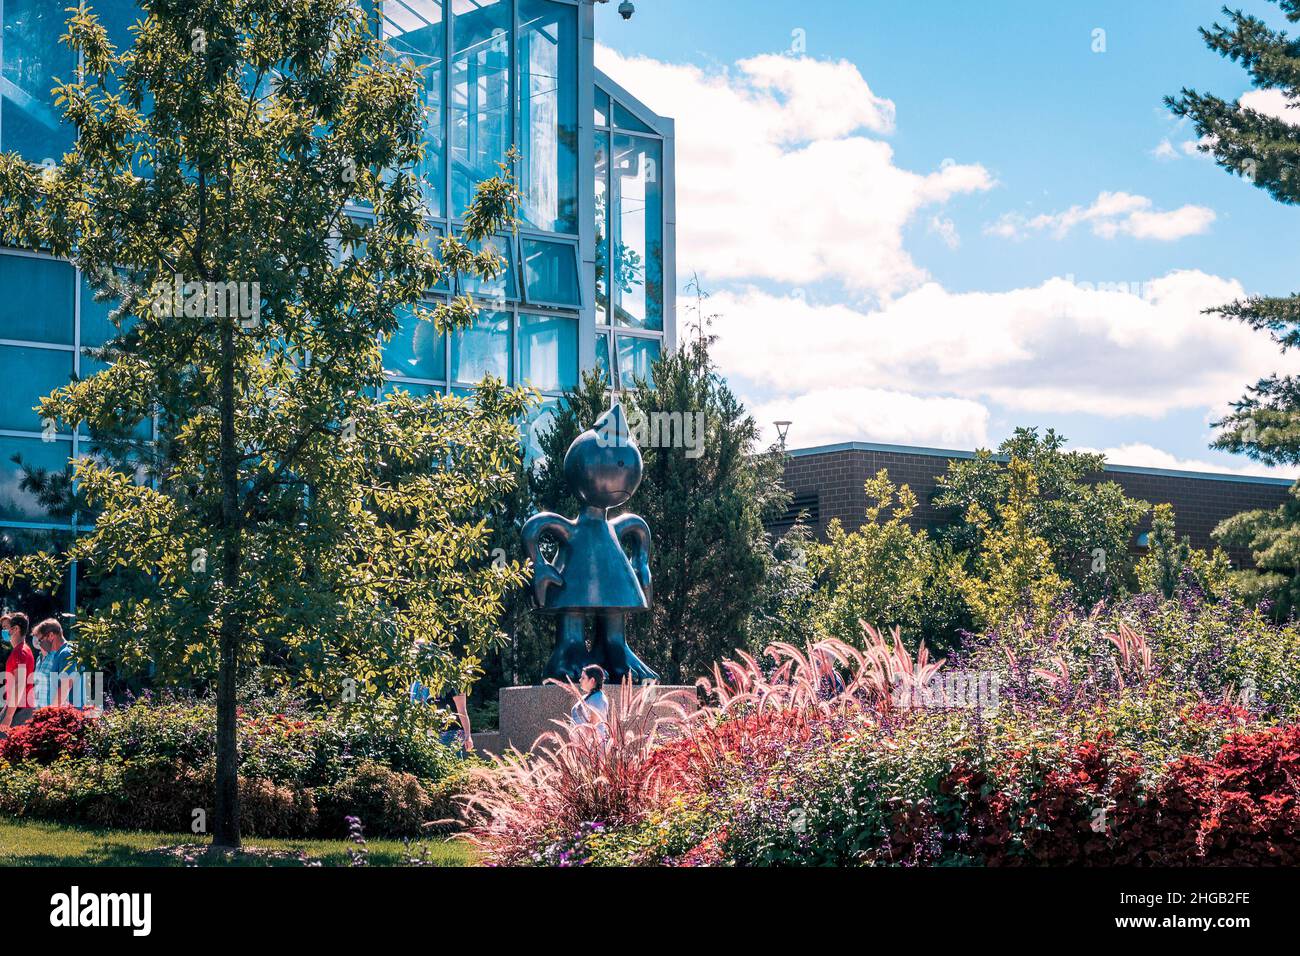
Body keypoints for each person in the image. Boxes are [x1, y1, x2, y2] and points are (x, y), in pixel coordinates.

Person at [410, 677, 474, 753]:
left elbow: (462, 711)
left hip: (451, 732)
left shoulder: (457, 683)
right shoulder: (423, 681)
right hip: (429, 734)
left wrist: (468, 736)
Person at [0, 613, 36, 736]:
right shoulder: (20, 650)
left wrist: (8, 716)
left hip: (20, 709)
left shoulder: (21, 653)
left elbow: (19, 684)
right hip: (17, 706)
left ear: (15, 629)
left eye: (6, 627)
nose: (4, 631)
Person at [33, 618, 79, 710]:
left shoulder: (66, 653)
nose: (40, 644)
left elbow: (66, 685)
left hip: (68, 715)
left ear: (51, 635)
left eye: (41, 640)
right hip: (61, 714)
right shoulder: (59, 653)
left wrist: (50, 712)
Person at [570, 664, 610, 741]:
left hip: (591, 747)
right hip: (582, 746)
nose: (580, 680)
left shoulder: (597, 698)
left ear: (592, 680)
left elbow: (592, 725)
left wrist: (582, 747)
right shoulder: (588, 696)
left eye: (583, 678)